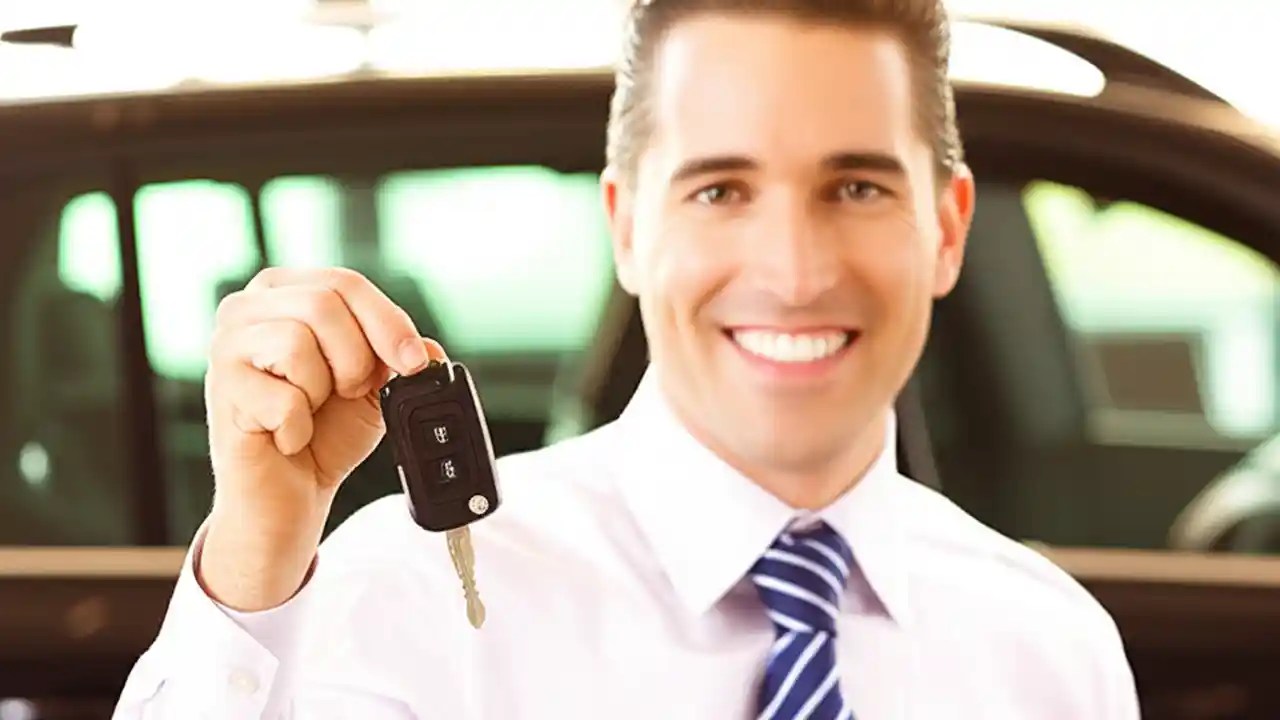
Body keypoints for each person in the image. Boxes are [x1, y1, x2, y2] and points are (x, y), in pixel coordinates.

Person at [112, 1, 1141, 718]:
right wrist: (254, 560)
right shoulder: (399, 595)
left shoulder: (1052, 648)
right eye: (718, 190)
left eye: (857, 188)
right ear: (626, 227)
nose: (789, 272)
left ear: (946, 229)